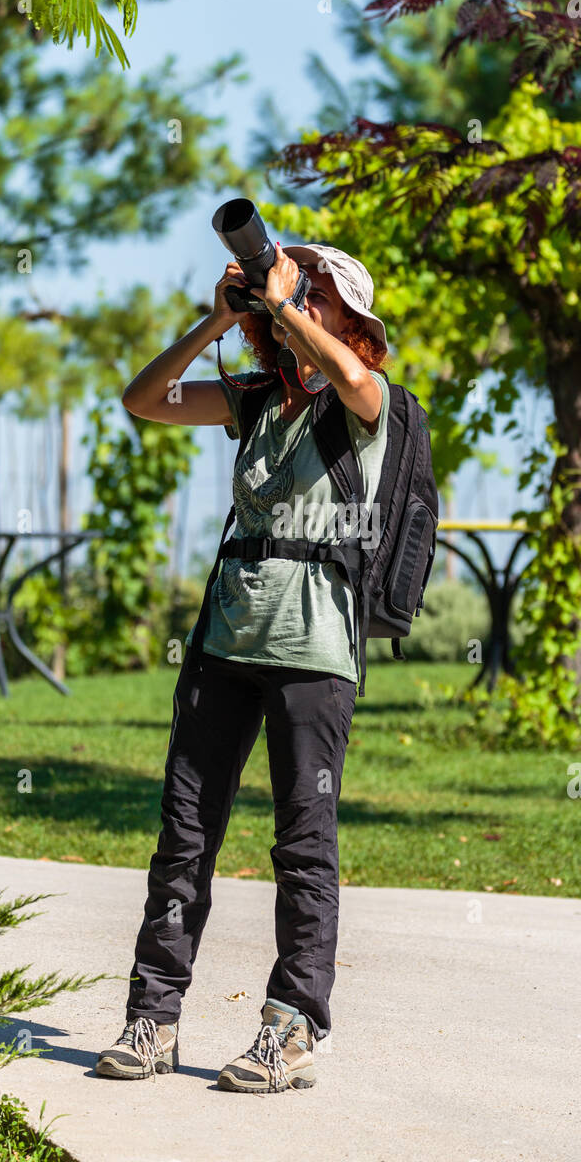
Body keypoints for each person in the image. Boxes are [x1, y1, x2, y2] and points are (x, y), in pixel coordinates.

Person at [95, 239, 391, 1092]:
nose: (291, 302)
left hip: (315, 653)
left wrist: (289, 306)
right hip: (225, 644)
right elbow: (142, 400)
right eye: (289, 290)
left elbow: (351, 377)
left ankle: (292, 1030)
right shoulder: (257, 398)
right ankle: (152, 1020)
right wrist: (219, 320)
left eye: (313, 294)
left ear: (345, 316)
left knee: (303, 845)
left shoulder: (366, 400)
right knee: (184, 836)